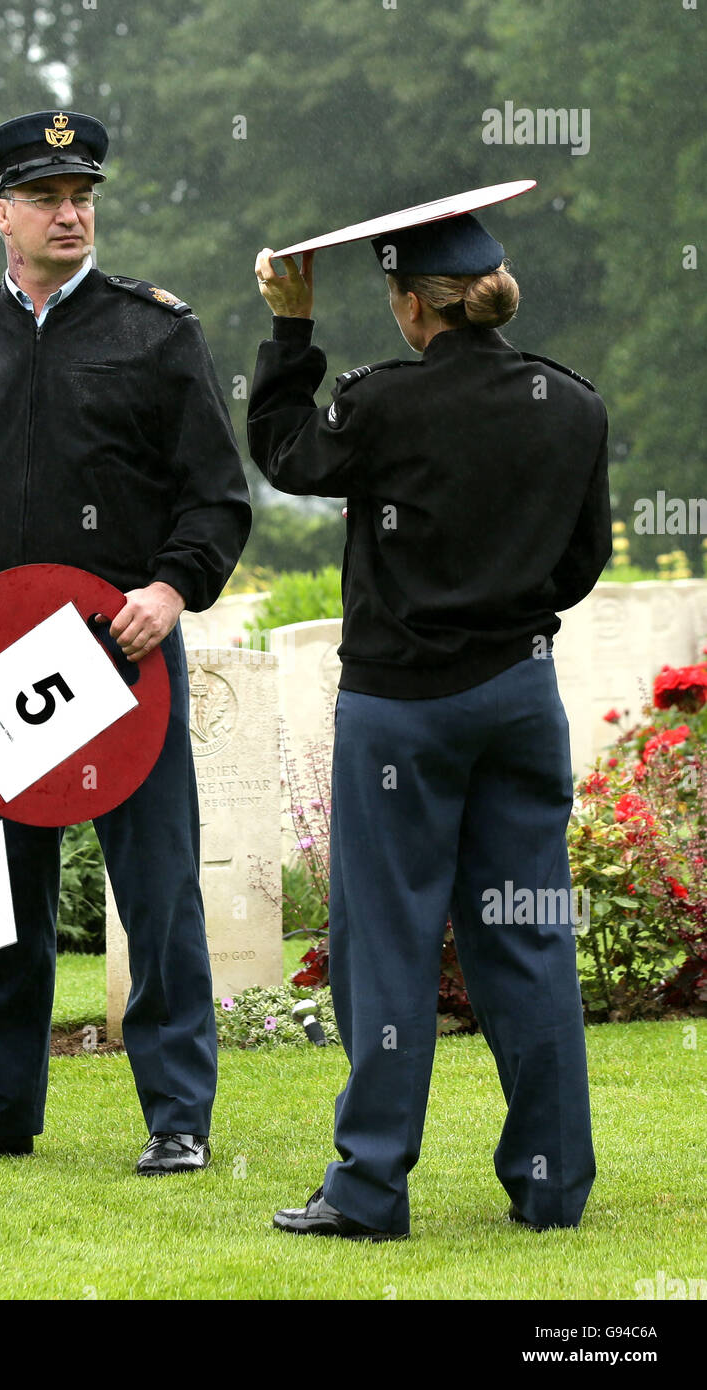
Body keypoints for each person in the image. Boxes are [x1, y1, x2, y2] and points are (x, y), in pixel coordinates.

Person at [0, 111, 251, 1174]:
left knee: (158, 891)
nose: (70, 212)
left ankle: (177, 1115)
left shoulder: (155, 332)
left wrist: (171, 590)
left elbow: (214, 497)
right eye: (45, 197)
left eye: (81, 194)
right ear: (2, 214)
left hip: (120, 655)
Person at [248, 205, 611, 1239]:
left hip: (400, 712)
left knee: (387, 946)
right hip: (518, 698)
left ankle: (367, 1190)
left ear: (412, 307)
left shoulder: (380, 405)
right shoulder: (571, 406)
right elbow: (578, 564)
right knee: (529, 937)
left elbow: (285, 453)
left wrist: (289, 330)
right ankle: (547, 1189)